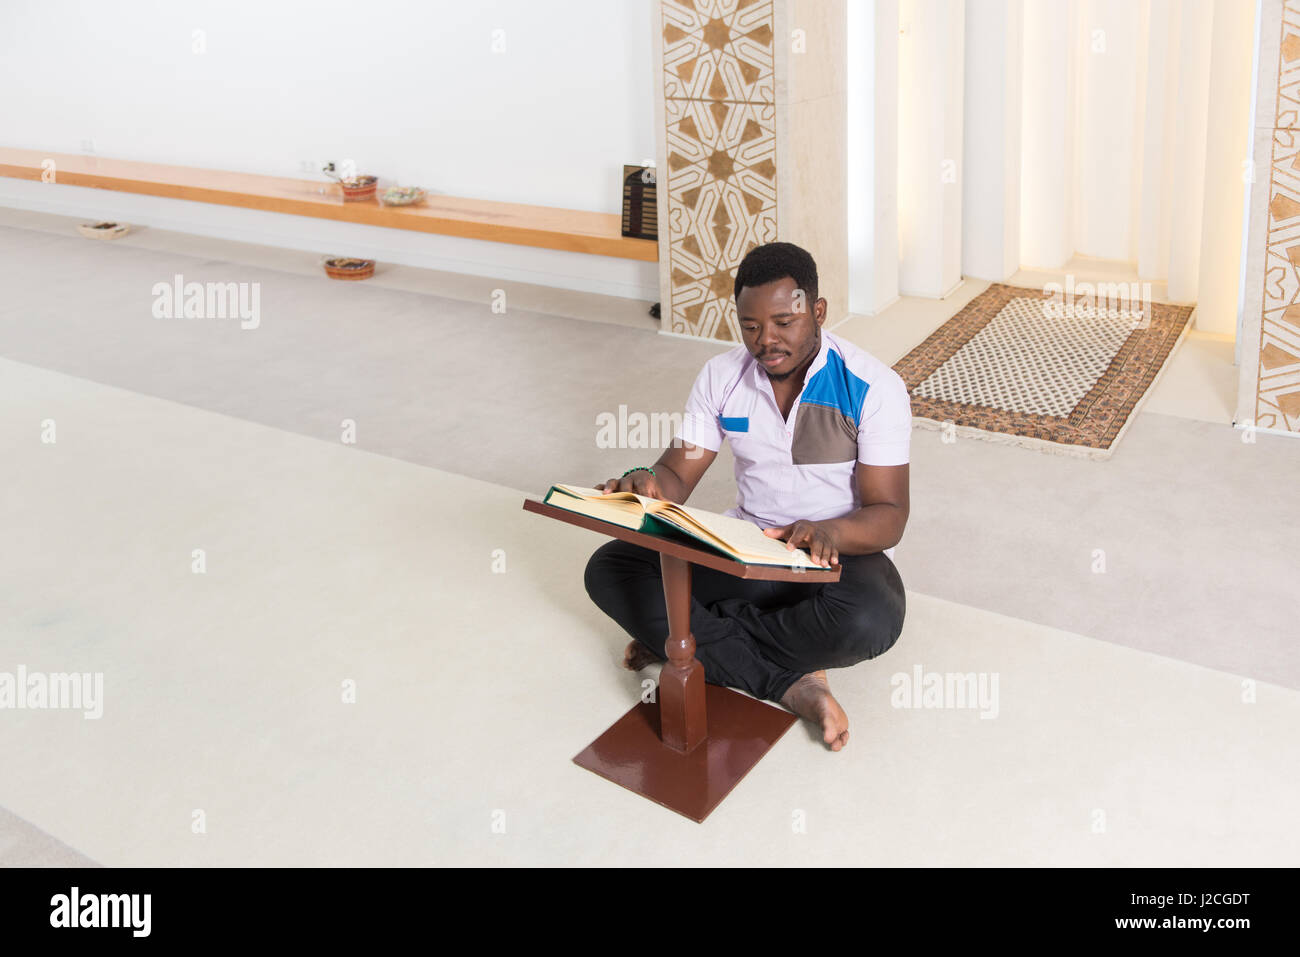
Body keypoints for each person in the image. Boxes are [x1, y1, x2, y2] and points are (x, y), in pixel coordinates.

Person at [583, 242, 911, 751]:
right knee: (612, 568)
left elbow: (889, 515)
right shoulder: (722, 376)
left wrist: (830, 533)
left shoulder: (873, 387)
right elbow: (676, 473)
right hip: (748, 548)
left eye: (784, 322)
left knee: (874, 617)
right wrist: (645, 482)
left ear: (817, 311)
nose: (767, 341)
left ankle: (682, 639)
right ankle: (793, 682)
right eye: (751, 326)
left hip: (835, 562)